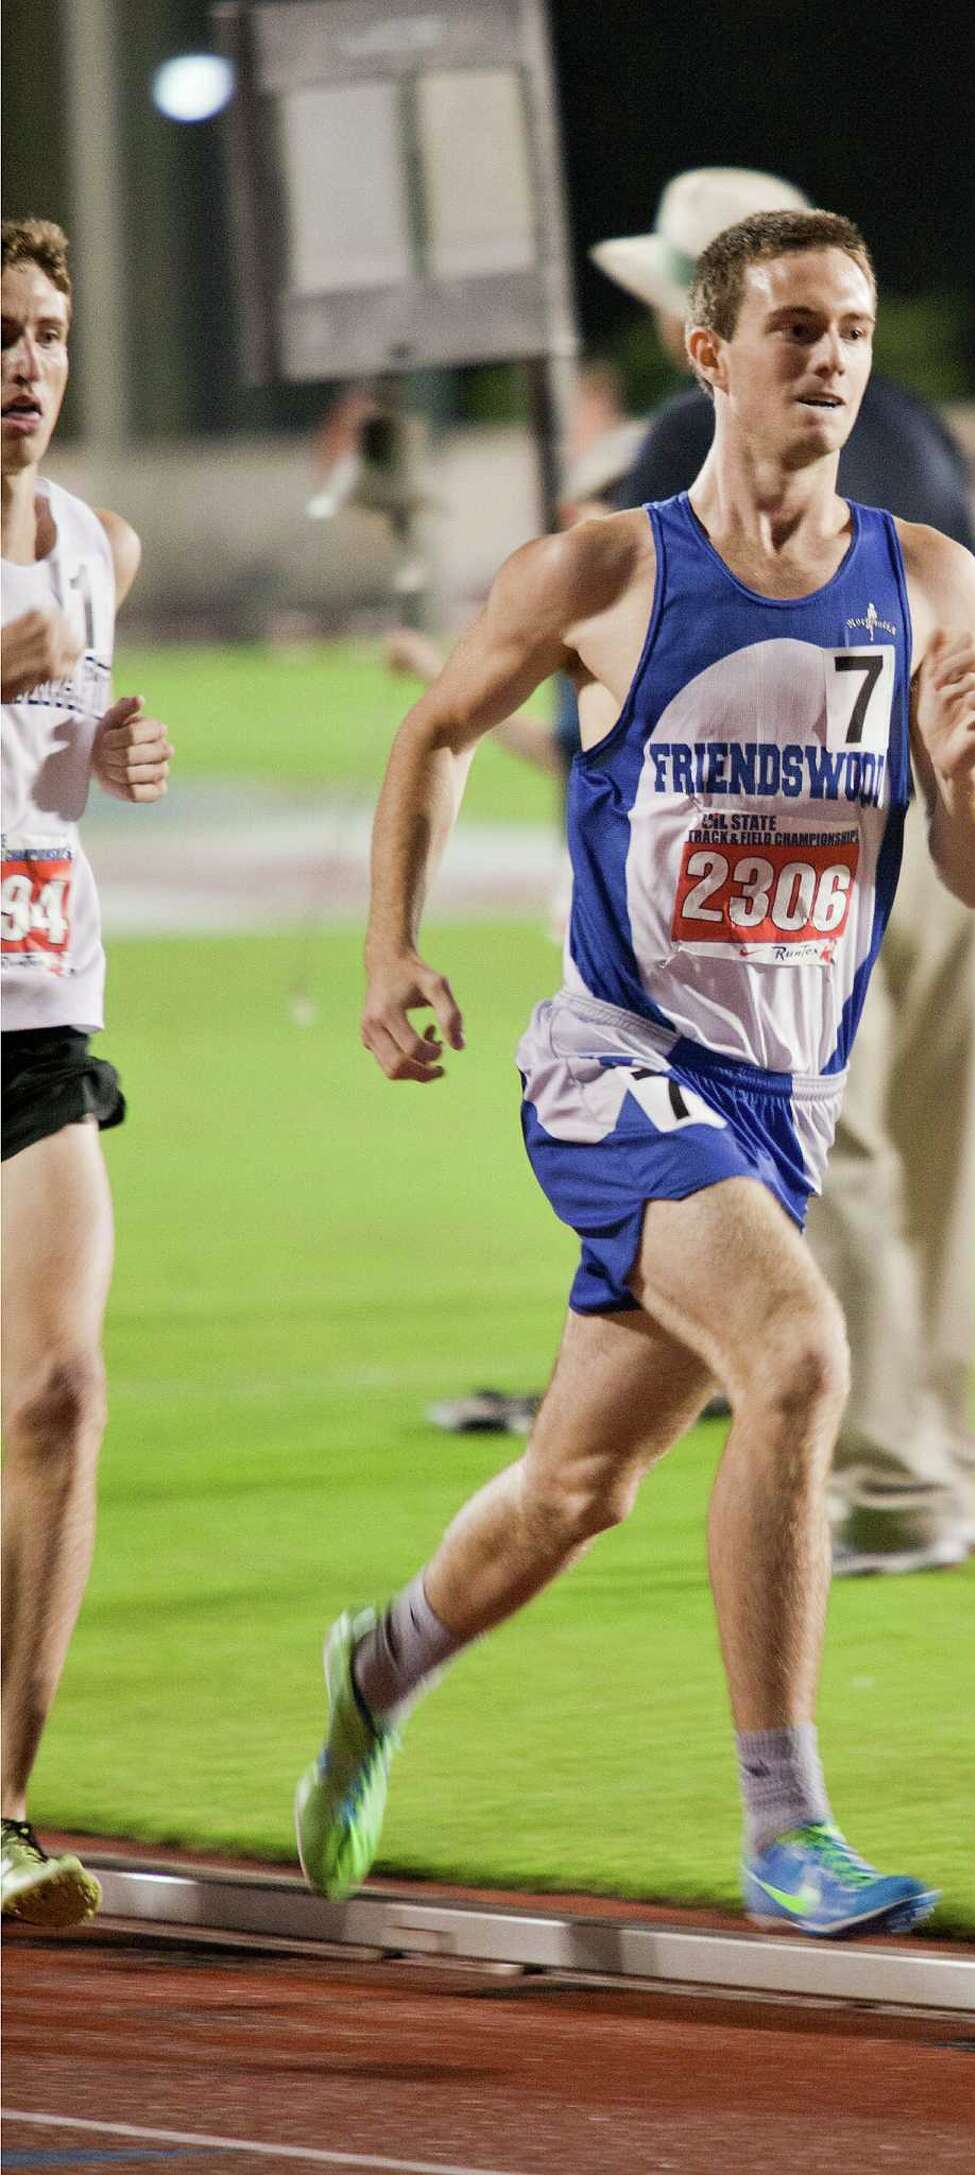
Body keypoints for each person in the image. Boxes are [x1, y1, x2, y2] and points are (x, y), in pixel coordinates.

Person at [296, 208, 975, 1936]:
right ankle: (788, 1829)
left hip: (778, 1105)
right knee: (800, 1353)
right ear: (710, 356)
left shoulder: (926, 580)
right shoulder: (602, 574)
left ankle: (375, 1668)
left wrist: (963, 776)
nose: (830, 358)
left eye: (849, 329)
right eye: (793, 329)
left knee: (576, 1489)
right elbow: (435, 733)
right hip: (615, 1065)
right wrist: (394, 954)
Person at [595, 169, 975, 1573]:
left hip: (817, 859)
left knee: (850, 1160)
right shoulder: (916, 424)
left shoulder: (676, 442)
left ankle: (893, 1482)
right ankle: (940, 1428)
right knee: (937, 1159)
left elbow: (627, 699)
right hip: (947, 825)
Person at [1, 219, 173, 1925]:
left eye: (45, 333)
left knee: (59, 1395)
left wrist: (117, 743)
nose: (26, 365)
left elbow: (66, 746)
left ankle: (0, 1813)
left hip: (36, 1019)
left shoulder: (94, 549)